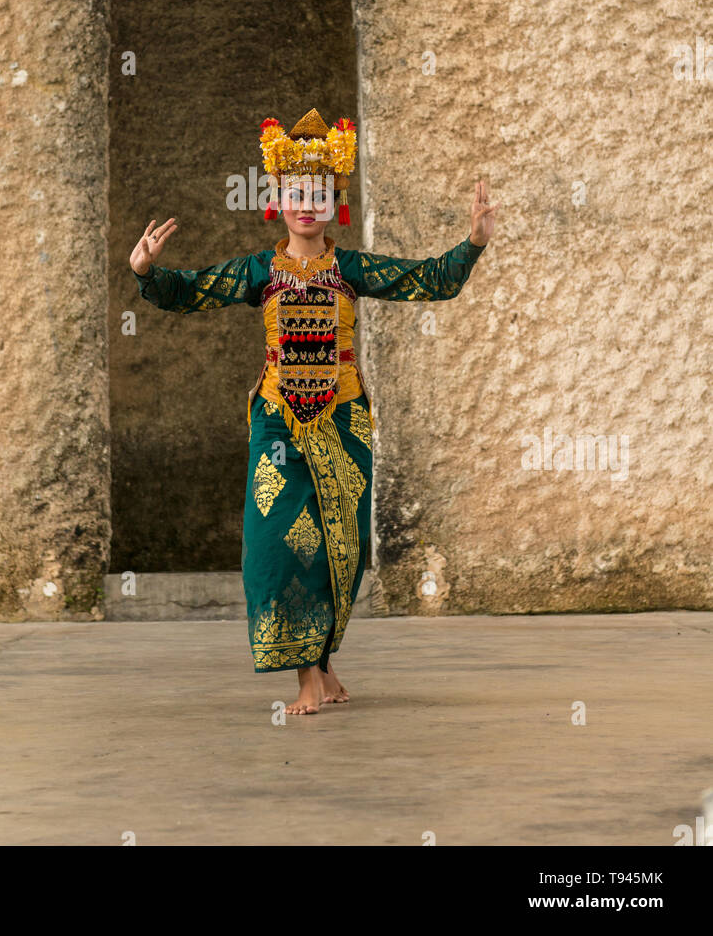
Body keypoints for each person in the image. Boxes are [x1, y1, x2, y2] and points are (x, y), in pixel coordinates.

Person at [130, 109, 498, 715]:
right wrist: (147, 271)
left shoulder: (350, 270)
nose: (307, 202)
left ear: (334, 204)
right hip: (277, 425)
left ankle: (323, 664)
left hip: (343, 423)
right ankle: (304, 678)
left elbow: (429, 280)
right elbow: (191, 290)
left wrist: (474, 242)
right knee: (275, 544)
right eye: (295, 192)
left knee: (337, 548)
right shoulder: (260, 271)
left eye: (319, 194)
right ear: (278, 198)